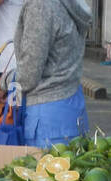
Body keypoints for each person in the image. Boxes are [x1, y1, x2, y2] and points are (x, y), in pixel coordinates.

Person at [14, 0, 91, 145]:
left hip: (45, 119)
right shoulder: (67, 4)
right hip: (72, 108)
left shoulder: (40, 6)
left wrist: (6, 81)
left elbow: (28, 75)